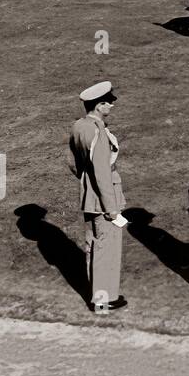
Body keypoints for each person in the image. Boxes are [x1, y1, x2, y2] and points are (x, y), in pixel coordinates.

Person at [68, 81, 127, 313]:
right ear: (99, 105)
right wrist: (111, 208)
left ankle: (98, 296)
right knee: (106, 249)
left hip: (89, 196)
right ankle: (103, 301)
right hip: (104, 199)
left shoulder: (79, 126)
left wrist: (86, 181)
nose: (111, 105)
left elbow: (72, 162)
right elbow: (102, 172)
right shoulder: (98, 131)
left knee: (94, 246)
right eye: (108, 102)